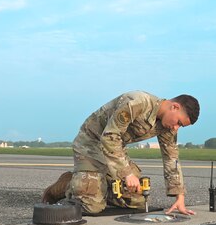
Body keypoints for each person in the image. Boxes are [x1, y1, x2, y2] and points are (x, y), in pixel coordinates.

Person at [41, 91, 199, 216]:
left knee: (137, 200)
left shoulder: (167, 126)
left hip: (115, 149)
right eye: (178, 122)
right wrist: (127, 174)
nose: (175, 128)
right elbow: (109, 137)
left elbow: (171, 158)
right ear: (175, 107)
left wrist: (180, 197)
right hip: (91, 142)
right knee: (91, 206)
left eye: (181, 127)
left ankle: (97, 186)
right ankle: (68, 184)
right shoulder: (137, 102)